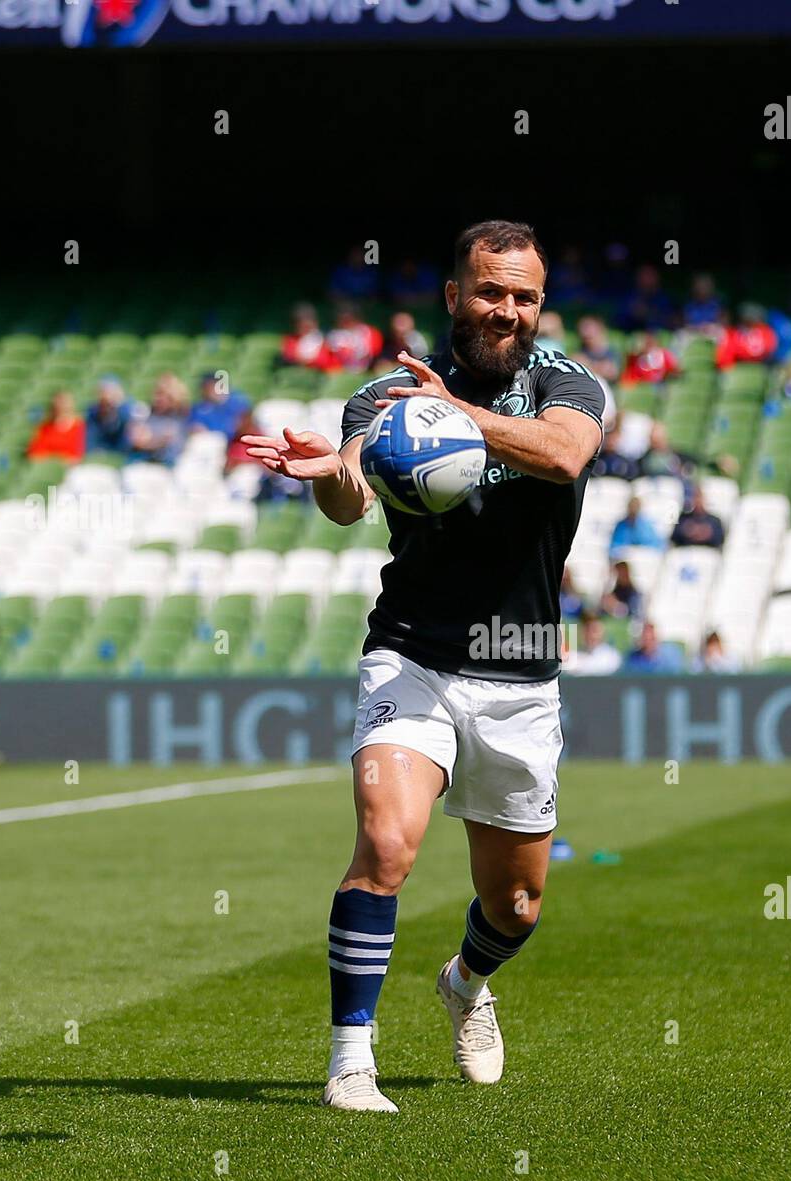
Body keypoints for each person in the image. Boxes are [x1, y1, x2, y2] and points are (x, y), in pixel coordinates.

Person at [239, 221, 605, 1114]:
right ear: (454, 297)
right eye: (490, 291)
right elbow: (348, 498)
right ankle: (349, 1062)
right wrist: (327, 471)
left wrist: (462, 420)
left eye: (523, 296)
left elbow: (563, 454)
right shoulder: (383, 397)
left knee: (516, 907)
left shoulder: (568, 382)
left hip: (520, 671)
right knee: (387, 844)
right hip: (413, 653)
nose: (507, 310)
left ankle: (465, 985)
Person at [127, 373, 190, 466]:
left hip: (169, 466)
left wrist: (151, 441)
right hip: (142, 463)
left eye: (163, 395)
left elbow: (171, 443)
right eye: (157, 393)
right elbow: (137, 440)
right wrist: (157, 441)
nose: (158, 398)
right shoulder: (145, 412)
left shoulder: (179, 418)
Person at [191, 372, 251, 442]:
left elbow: (242, 425)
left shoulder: (237, 401)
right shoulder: (200, 407)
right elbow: (195, 427)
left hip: (234, 441)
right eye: (205, 387)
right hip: (210, 441)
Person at [27, 390, 86, 462]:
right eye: (58, 405)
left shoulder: (80, 427)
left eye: (65, 404)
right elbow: (34, 454)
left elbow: (79, 456)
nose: (62, 408)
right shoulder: (45, 427)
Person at [326, 302, 383, 372]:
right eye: (342, 318)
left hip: (366, 371)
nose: (345, 322)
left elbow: (375, 353)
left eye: (348, 318)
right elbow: (330, 358)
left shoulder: (369, 332)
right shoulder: (334, 334)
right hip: (341, 372)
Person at [279, 303, 336, 370]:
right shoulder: (291, 340)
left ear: (315, 324)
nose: (305, 331)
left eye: (308, 328)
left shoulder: (322, 339)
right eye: (301, 328)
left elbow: (328, 360)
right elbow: (288, 357)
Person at [563, 611, 621, 675]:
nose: (592, 635)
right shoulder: (576, 653)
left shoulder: (611, 655)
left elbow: (598, 670)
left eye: (595, 630)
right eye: (588, 630)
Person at [85, 377, 132, 454]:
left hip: (120, 456)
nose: (106, 399)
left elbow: (126, 442)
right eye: (102, 393)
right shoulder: (92, 413)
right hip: (97, 455)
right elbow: (90, 441)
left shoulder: (126, 411)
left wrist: (118, 406)